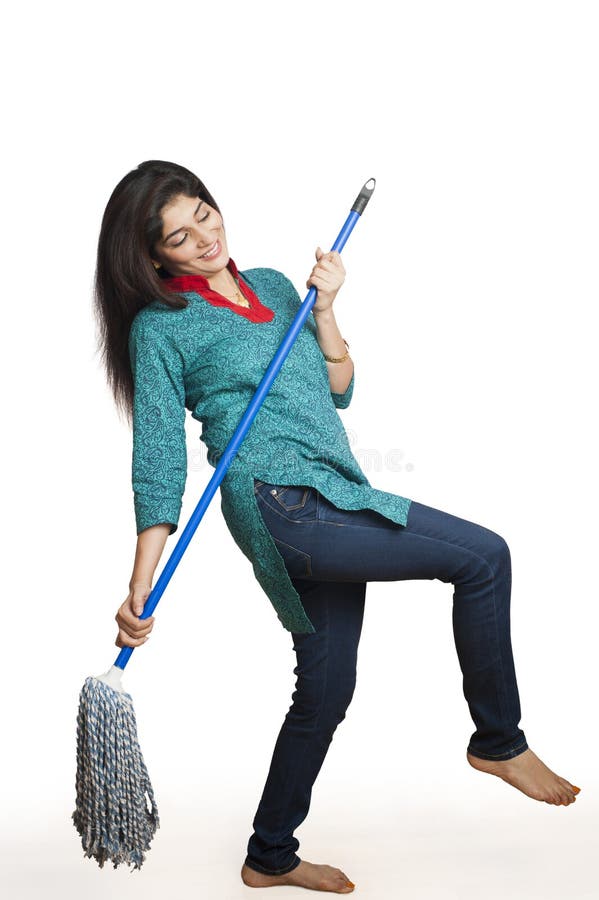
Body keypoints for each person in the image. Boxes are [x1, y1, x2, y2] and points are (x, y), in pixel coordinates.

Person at [94, 160, 580, 895]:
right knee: (482, 557)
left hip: (330, 489)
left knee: (324, 691)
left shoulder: (273, 285)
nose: (203, 236)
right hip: (279, 505)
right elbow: (158, 455)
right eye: (178, 235)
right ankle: (498, 741)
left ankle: (269, 855)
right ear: (153, 255)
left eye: (204, 212)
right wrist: (140, 584)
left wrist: (323, 309)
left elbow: (338, 391)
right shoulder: (162, 329)